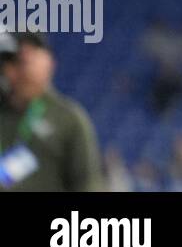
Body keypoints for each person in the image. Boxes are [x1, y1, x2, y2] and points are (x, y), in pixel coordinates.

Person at [0, 32, 104, 191]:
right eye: (14, 60)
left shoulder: (68, 119)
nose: (23, 67)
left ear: (49, 62)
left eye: (30, 57)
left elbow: (88, 184)